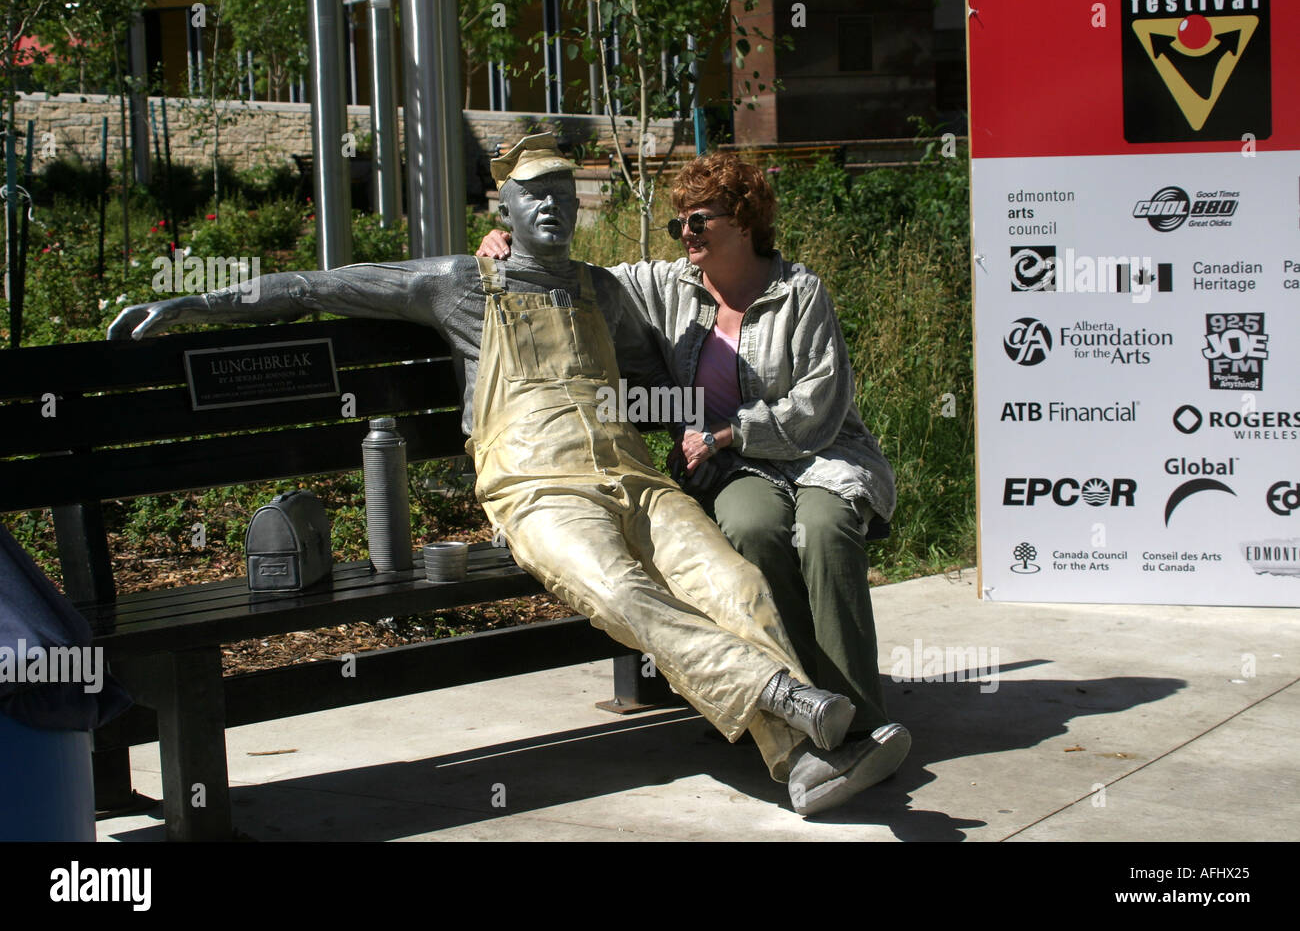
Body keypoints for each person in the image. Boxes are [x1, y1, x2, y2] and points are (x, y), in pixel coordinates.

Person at [108, 134, 909, 816]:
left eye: (565, 192)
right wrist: (192, 304)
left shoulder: (605, 289)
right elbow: (320, 287)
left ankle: (801, 763)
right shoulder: (456, 282)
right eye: (535, 196)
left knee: (737, 585)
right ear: (505, 212)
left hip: (634, 479)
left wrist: (714, 435)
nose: (553, 207)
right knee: (625, 593)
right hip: (540, 494)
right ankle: (792, 708)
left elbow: (667, 371)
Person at [477, 152, 903, 751]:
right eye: (680, 223)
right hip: (734, 467)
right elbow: (565, 272)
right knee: (753, 529)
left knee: (827, 528)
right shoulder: (665, 285)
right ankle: (803, 697)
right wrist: (502, 240)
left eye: (699, 222)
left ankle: (859, 717)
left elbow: (819, 404)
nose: (685, 235)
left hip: (819, 453)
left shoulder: (800, 293)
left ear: (745, 223)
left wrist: (728, 432)